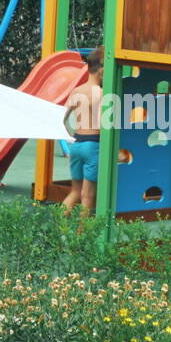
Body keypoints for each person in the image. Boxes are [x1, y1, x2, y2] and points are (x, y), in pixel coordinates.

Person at [63, 46, 104, 216]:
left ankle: (60, 230)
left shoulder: (77, 91)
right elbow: (104, 124)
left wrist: (71, 136)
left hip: (77, 145)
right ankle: (81, 237)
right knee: (87, 197)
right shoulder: (101, 93)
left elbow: (62, 119)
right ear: (101, 71)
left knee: (74, 192)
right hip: (92, 145)